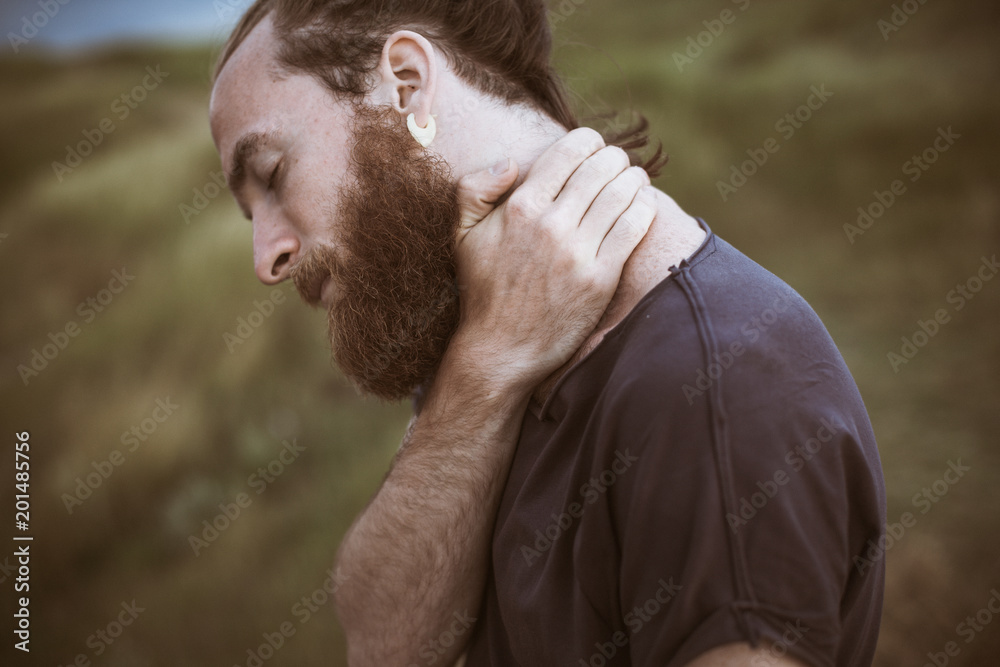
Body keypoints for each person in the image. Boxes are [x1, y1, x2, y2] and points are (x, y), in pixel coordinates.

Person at [209, 2, 886, 665]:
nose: (266, 258)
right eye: (248, 215)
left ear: (407, 83)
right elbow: (382, 643)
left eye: (272, 175)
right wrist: (486, 365)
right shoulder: (483, 319)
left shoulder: (724, 381)